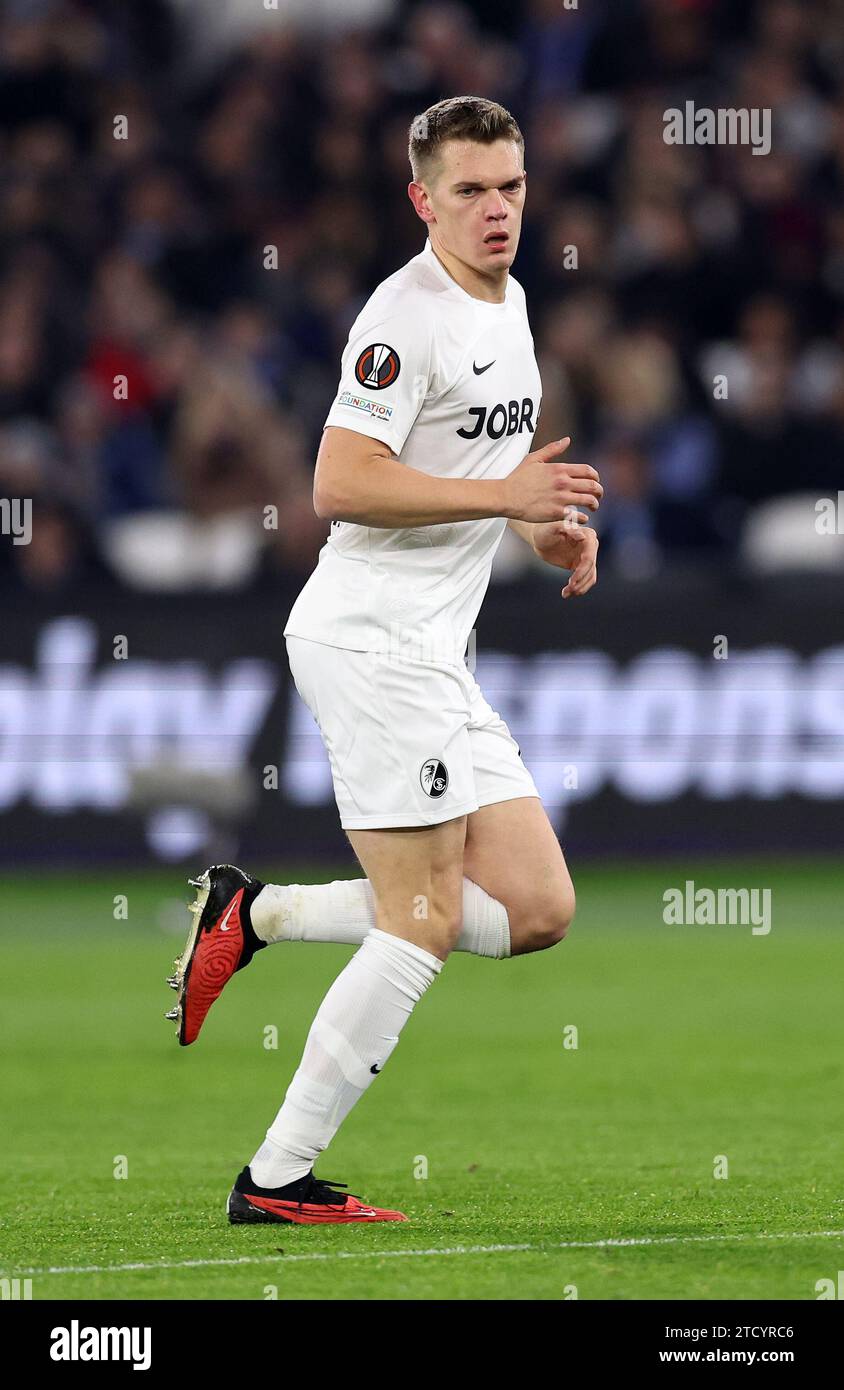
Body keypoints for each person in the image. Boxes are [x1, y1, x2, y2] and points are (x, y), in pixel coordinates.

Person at [164, 95, 602, 1225]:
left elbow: (469, 471)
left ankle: (251, 917)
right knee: (421, 917)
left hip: (433, 652)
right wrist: (503, 494)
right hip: (368, 642)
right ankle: (275, 1180)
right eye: (469, 190)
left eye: (508, 185)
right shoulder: (401, 319)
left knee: (539, 905)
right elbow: (339, 484)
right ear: (422, 199)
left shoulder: (509, 302)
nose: (496, 208)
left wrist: (534, 527)